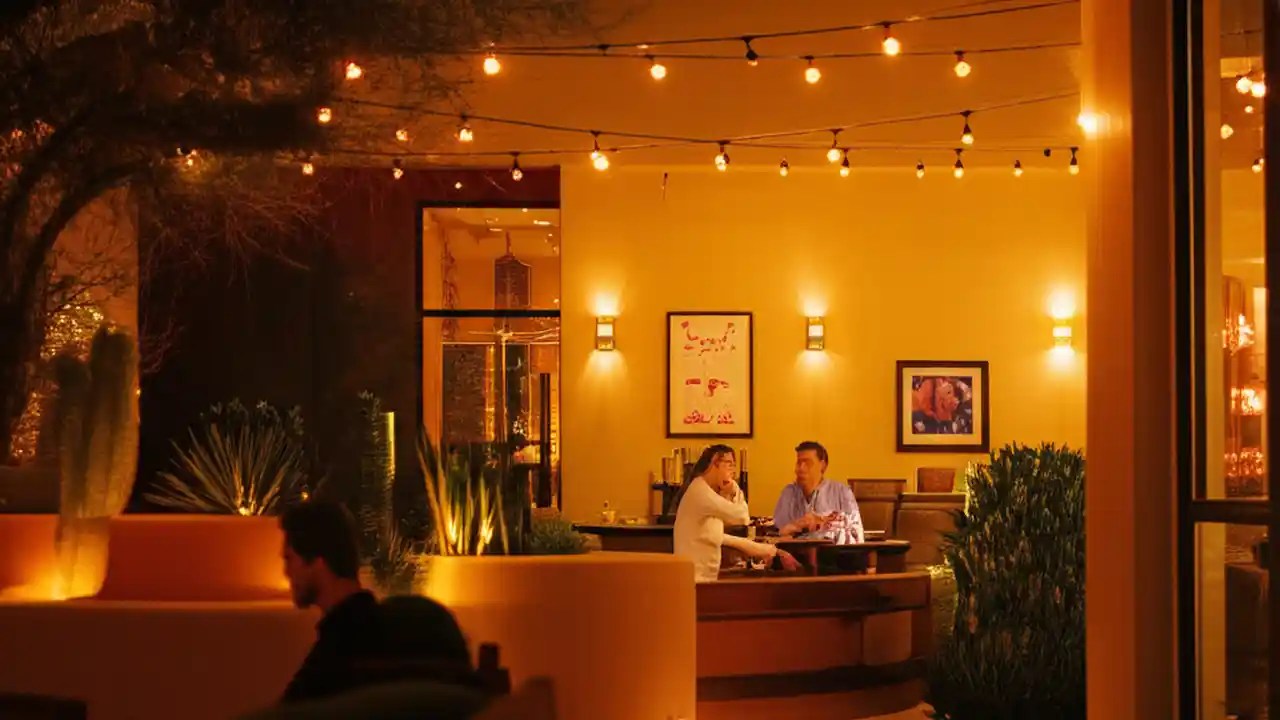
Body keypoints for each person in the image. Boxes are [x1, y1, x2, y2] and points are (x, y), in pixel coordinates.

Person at [279, 500, 383, 703]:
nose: (286, 572)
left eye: (289, 559)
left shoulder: (340, 648)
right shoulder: (377, 628)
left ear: (317, 560)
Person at [673, 445, 799, 582]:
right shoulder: (700, 492)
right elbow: (742, 517)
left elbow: (716, 536)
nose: (732, 472)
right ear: (714, 462)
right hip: (695, 579)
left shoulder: (703, 491)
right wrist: (734, 488)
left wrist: (766, 550)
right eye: (729, 465)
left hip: (702, 579)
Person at [772, 441, 864, 544]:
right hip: (796, 556)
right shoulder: (788, 494)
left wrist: (823, 525)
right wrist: (797, 525)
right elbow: (775, 536)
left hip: (835, 556)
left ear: (822, 465)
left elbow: (857, 536)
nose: (800, 469)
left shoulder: (842, 492)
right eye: (799, 463)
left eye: (807, 463)